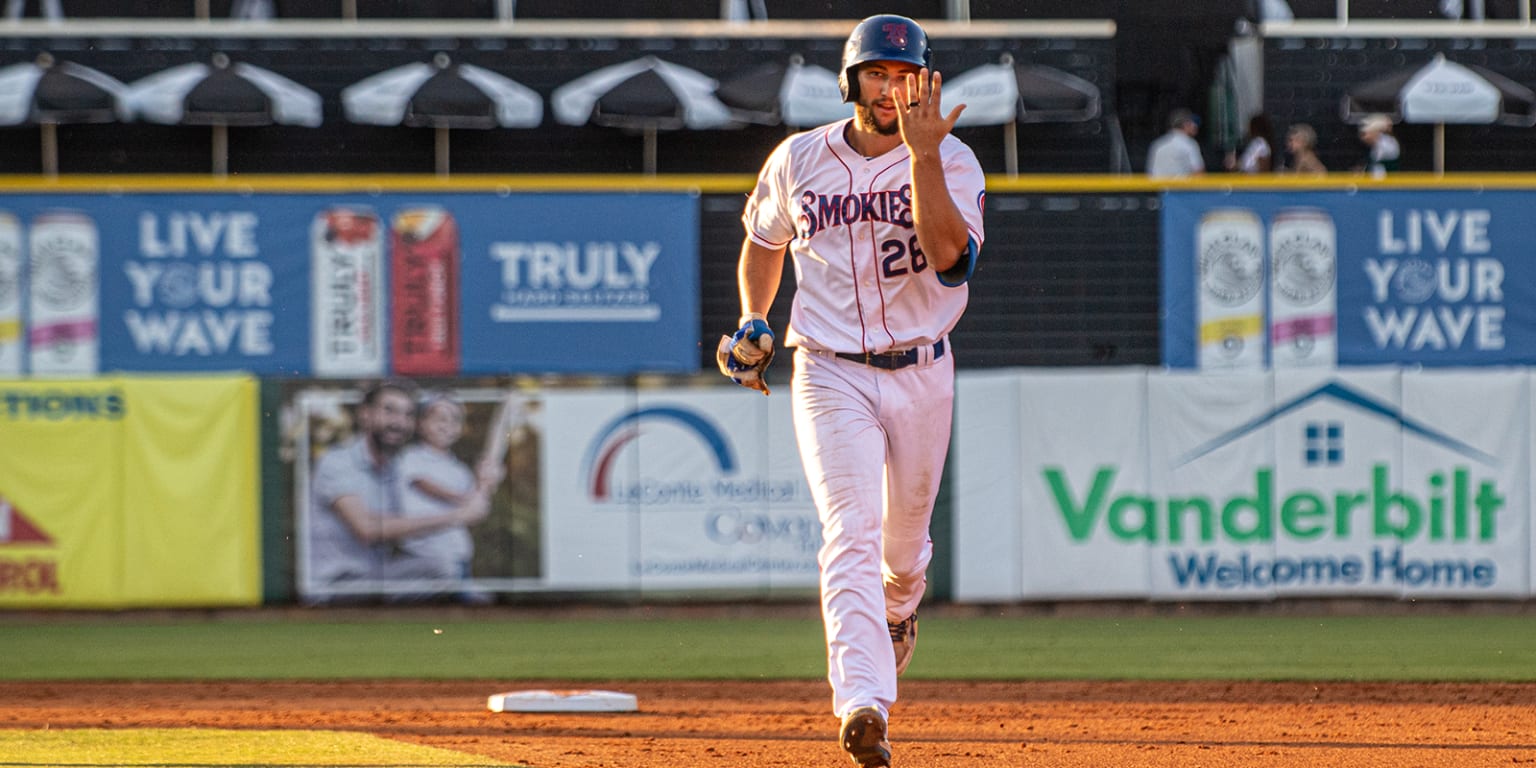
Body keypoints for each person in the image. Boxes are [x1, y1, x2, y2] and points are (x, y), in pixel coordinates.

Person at [717, 14, 985, 768]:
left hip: (924, 367)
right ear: (852, 80)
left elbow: (949, 261)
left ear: (926, 82)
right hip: (828, 367)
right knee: (849, 533)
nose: (892, 89)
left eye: (905, 76)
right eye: (877, 73)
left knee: (902, 553)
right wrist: (752, 317)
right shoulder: (800, 157)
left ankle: (900, 609)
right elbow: (764, 242)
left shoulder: (955, 161)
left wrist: (923, 158)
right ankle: (863, 704)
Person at [306, 379, 490, 602]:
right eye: (389, 411)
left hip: (380, 580)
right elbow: (366, 529)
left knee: (449, 569)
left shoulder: (397, 469)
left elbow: (402, 523)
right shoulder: (337, 462)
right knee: (442, 570)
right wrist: (456, 517)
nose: (399, 422)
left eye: (407, 414)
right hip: (338, 586)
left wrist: (483, 482)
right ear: (365, 415)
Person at [395, 391, 502, 603]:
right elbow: (427, 486)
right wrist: (466, 498)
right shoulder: (410, 457)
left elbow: (476, 510)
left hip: (458, 560)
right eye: (439, 418)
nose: (447, 425)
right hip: (424, 559)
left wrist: (488, 481)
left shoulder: (459, 470)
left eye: (454, 420)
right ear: (421, 423)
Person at [1146, 108, 1205, 178]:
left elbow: (1150, 172)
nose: (1195, 126)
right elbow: (1199, 173)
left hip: (1158, 187)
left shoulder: (1157, 144)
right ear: (1186, 124)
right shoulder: (1189, 144)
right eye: (1193, 123)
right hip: (1181, 187)